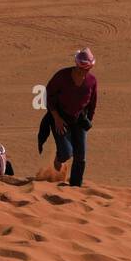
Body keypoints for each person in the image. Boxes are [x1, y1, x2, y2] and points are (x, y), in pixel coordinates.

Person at [40, 48, 98, 187]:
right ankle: (59, 159)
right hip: (60, 118)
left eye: (87, 68)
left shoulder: (92, 81)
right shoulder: (62, 76)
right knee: (66, 153)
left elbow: (92, 103)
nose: (84, 71)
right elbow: (48, 95)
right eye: (82, 68)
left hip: (79, 120)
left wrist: (88, 121)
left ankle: (75, 187)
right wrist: (56, 118)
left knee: (81, 157)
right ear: (77, 65)